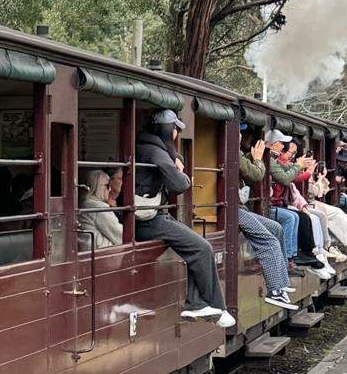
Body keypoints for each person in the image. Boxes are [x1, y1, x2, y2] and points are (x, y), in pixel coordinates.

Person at [134, 109, 235, 328]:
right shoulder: (156, 152)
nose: (177, 134)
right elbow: (178, 185)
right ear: (169, 131)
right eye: (175, 130)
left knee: (194, 247)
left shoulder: (146, 147)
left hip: (147, 218)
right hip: (149, 220)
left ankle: (197, 303)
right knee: (202, 248)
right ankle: (211, 306)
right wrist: (182, 173)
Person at [238, 134, 297, 309]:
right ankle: (275, 291)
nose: (241, 136)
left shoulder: (240, 153)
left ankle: (282, 281)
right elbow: (256, 174)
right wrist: (257, 159)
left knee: (276, 228)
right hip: (232, 209)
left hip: (239, 207)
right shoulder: (235, 151)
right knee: (269, 241)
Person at [267, 130, 332, 280]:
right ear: (271, 144)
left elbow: (291, 174)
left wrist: (305, 169)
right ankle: (291, 256)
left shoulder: (275, 161)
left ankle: (310, 252)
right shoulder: (270, 160)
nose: (282, 147)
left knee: (303, 217)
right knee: (292, 218)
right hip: (271, 205)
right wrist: (299, 166)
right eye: (281, 144)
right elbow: (285, 178)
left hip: (279, 203)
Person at [77, 169, 124, 249]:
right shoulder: (98, 207)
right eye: (107, 186)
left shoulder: (84, 203)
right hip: (102, 254)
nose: (109, 189)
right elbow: (121, 236)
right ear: (97, 186)